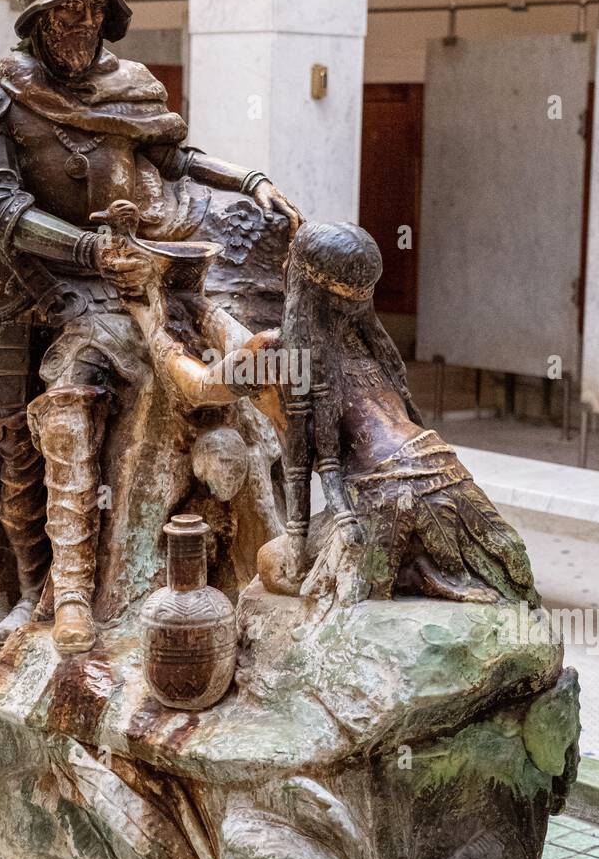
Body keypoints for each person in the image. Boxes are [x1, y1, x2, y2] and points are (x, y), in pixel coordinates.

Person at [0, 0, 301, 649]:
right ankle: (34, 589)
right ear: (36, 18)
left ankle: (211, 558)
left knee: (198, 376)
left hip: (125, 280)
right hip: (27, 281)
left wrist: (251, 180)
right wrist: (89, 254)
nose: (79, 28)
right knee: (19, 433)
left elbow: (174, 156)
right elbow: (2, 208)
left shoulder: (129, 86)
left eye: (91, 10)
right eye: (64, 13)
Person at [124, 221, 539, 610]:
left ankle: (398, 572)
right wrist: (197, 304)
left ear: (299, 278)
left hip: (384, 499)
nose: (283, 264)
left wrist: (150, 318)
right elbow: (246, 353)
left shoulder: (277, 352)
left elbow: (197, 386)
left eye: (290, 259)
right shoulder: (371, 343)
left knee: (270, 561)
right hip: (449, 478)